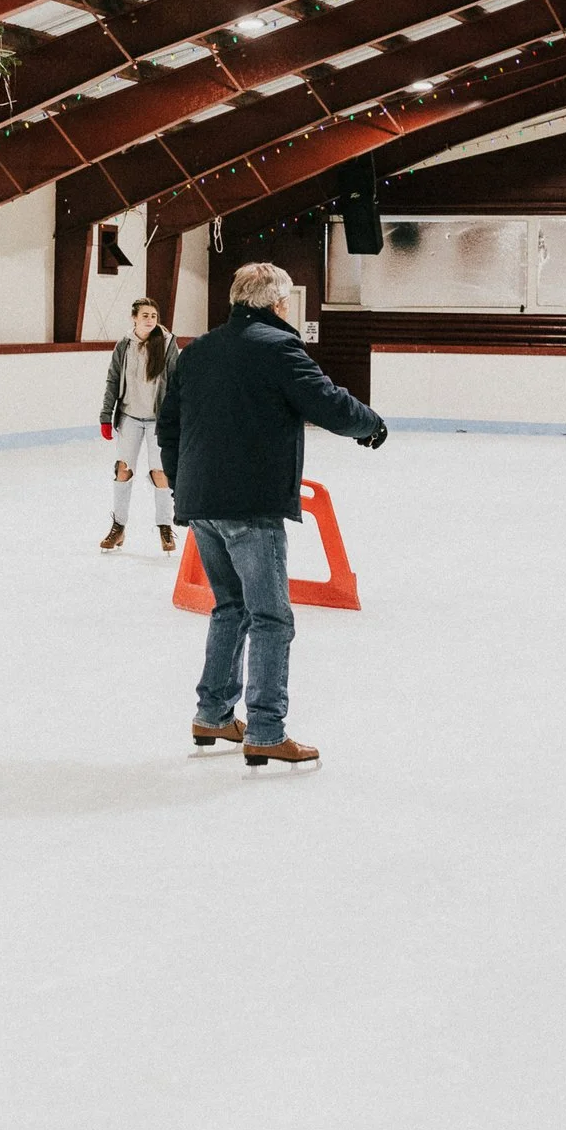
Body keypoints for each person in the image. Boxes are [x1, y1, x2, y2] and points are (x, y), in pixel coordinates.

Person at [158, 262, 385, 769]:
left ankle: (213, 713)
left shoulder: (197, 352)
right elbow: (325, 401)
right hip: (250, 506)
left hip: (203, 505)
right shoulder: (279, 347)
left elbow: (168, 426)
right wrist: (370, 424)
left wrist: (183, 487)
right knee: (271, 617)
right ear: (279, 304)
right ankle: (264, 729)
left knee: (230, 608)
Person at [99, 297, 179, 553]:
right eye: (145, 315)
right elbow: (113, 380)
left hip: (159, 420)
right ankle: (118, 527)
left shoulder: (167, 344)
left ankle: (165, 528)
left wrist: (177, 418)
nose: (150, 320)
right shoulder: (124, 345)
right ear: (134, 317)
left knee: (160, 473)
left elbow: (177, 383)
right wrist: (105, 415)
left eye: (154, 315)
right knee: (123, 469)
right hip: (130, 417)